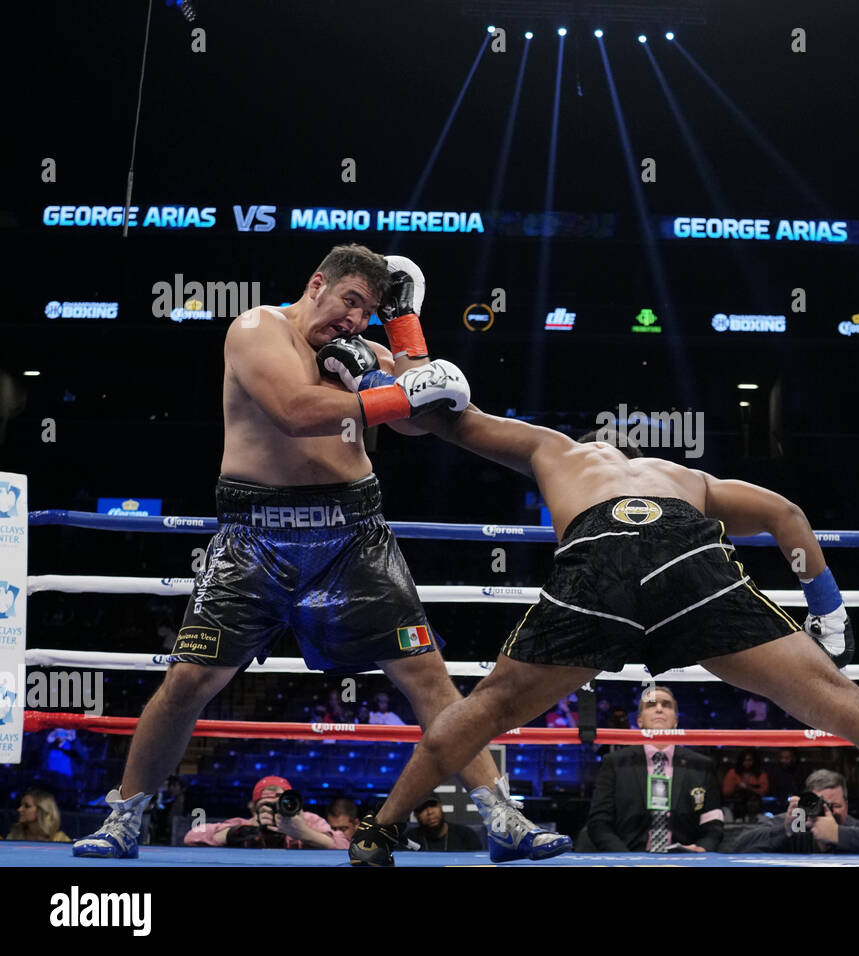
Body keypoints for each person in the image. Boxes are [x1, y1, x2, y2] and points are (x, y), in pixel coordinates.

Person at [332, 396, 859, 864]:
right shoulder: (686, 474)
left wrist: (383, 383)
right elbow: (789, 514)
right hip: (686, 546)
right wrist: (829, 613)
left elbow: (448, 419)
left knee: (485, 708)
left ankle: (379, 830)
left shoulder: (555, 451)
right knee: (844, 704)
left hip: (597, 553)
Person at [72, 245, 567, 863]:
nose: (355, 321)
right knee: (188, 682)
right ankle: (124, 818)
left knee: (429, 679)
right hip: (254, 537)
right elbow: (293, 410)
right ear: (317, 284)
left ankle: (503, 819)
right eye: (351, 302)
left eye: (369, 312)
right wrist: (390, 395)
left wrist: (405, 329)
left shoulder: (365, 350)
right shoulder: (258, 328)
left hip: (353, 535)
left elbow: (424, 418)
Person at [585, 685, 724, 853]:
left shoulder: (701, 765)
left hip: (685, 860)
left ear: (676, 720)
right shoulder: (615, 763)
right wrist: (624, 859)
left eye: (666, 705)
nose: (659, 709)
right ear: (639, 720)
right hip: (628, 858)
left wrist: (700, 850)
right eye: (651, 705)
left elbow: (713, 824)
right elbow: (598, 822)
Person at [732, 769, 859, 854]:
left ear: (846, 805)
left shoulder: (850, 825)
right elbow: (740, 844)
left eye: (835, 805)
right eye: (820, 805)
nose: (827, 811)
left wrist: (837, 834)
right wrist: (784, 830)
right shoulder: (796, 824)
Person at [184, 776, 345, 849]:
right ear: (254, 809)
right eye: (267, 806)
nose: (276, 812)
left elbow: (347, 847)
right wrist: (244, 831)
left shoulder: (309, 822)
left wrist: (304, 832)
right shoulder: (245, 826)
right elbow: (192, 836)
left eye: (281, 805)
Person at [408, 799, 483, 852]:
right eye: (422, 808)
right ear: (416, 814)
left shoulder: (466, 836)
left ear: (441, 807)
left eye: (432, 805)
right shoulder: (409, 839)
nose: (430, 812)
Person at [5, 790, 71, 842]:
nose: (19, 809)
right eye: (21, 805)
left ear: (42, 810)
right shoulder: (15, 835)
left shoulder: (60, 839)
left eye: (27, 806)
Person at [721, 748, 770, 816]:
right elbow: (726, 792)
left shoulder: (761, 774)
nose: (747, 763)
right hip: (735, 808)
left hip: (756, 809)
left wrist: (748, 788)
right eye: (744, 760)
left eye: (750, 760)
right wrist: (737, 787)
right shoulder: (732, 773)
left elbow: (764, 791)